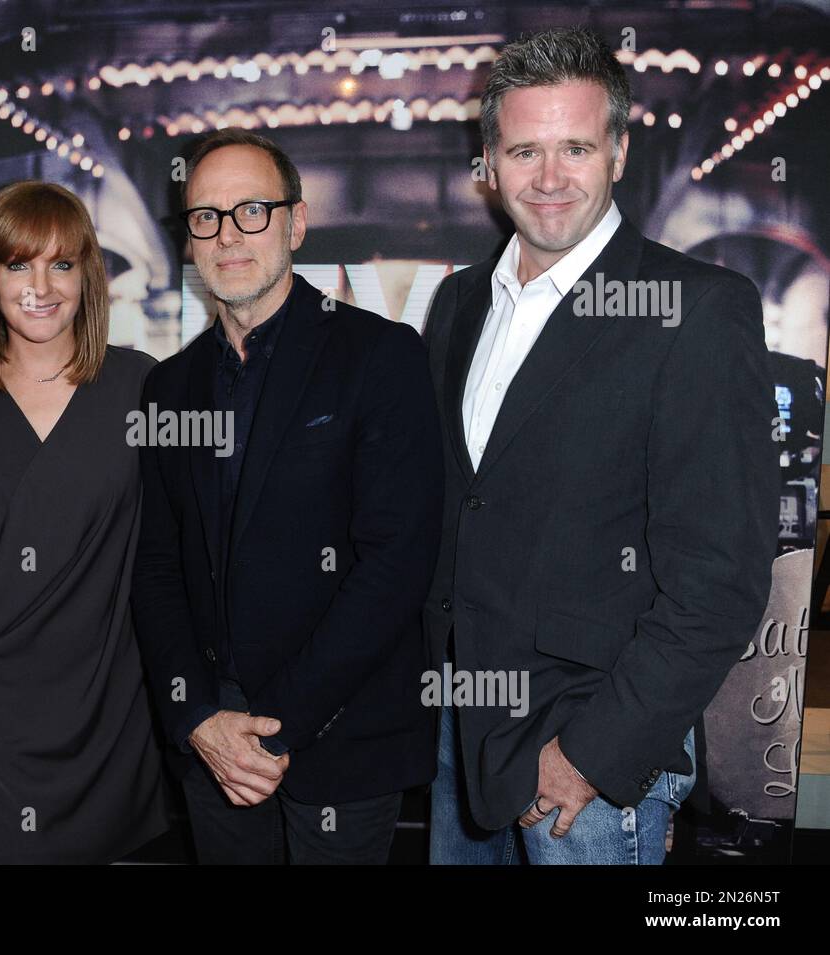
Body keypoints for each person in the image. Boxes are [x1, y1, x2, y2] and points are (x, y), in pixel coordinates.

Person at [423, 27, 778, 864]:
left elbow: (721, 580)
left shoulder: (697, 309)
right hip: (461, 734)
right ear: (490, 162)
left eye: (576, 147)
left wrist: (591, 753)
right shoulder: (458, 303)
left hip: (588, 753)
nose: (549, 178)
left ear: (618, 152)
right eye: (524, 150)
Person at [131, 130, 444, 864]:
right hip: (213, 749)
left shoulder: (379, 355)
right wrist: (198, 714)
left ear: (295, 224)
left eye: (252, 211)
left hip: (340, 740)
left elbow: (396, 563)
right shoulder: (168, 387)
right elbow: (155, 564)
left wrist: (273, 726)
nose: (227, 234)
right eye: (205, 216)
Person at [0, 180, 170, 863]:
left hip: (110, 709)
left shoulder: (141, 386)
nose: (42, 285)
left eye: (62, 263)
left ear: (88, 275)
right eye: (18, 263)